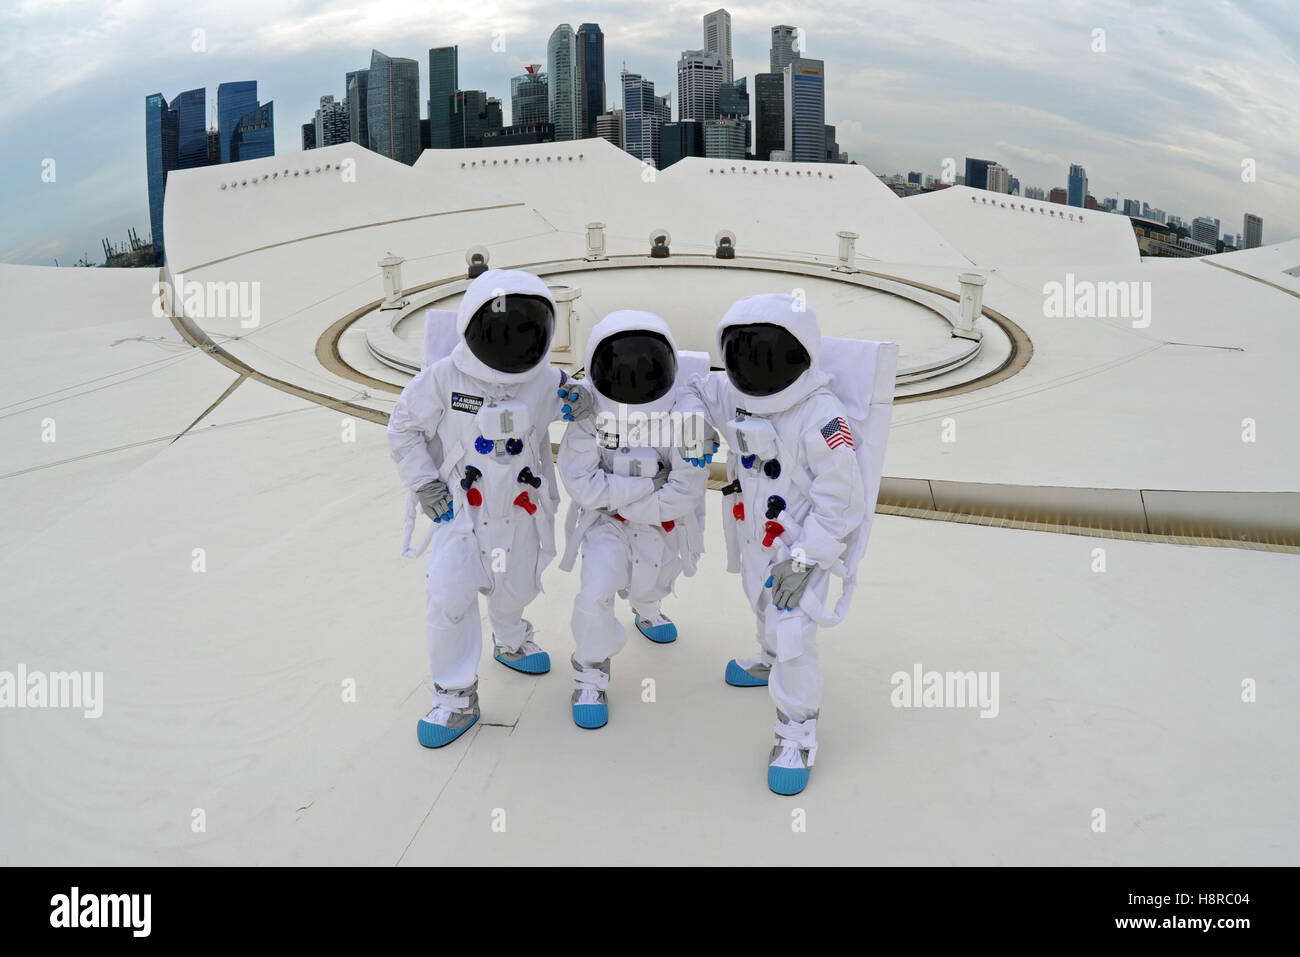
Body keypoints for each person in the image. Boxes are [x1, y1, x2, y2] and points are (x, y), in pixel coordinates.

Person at [387, 269, 592, 749]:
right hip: (459, 508)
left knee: (514, 586)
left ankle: (510, 637)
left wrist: (586, 403)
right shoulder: (443, 378)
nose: (513, 342)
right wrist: (423, 483)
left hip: (521, 508)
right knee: (449, 595)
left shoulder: (546, 381)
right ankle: (456, 696)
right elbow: (402, 428)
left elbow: (583, 408)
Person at [681, 294, 866, 795]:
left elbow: (843, 500)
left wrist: (807, 560)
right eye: (743, 356)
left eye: (766, 356)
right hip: (754, 535)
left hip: (799, 546)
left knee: (794, 634)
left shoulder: (820, 414)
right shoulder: (733, 392)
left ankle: (797, 730)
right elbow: (697, 392)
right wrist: (695, 427)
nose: (753, 367)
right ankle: (767, 658)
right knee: (760, 604)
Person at [556, 311, 710, 729]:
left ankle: (647, 608)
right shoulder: (588, 411)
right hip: (604, 524)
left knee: (653, 581)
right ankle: (589, 671)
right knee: (596, 590)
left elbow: (686, 491)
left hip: (664, 527)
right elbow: (580, 483)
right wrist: (642, 491)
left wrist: (622, 498)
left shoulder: (688, 416)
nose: (634, 379)